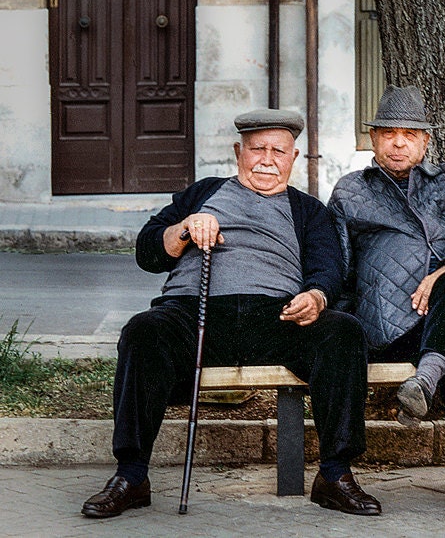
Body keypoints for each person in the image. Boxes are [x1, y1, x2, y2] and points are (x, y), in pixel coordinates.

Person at [81, 109, 379, 519]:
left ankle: (334, 474)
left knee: (344, 332)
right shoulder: (203, 193)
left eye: (279, 151)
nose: (268, 159)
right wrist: (185, 227)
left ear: (294, 157)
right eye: (257, 149)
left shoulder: (308, 210)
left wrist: (316, 296)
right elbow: (147, 251)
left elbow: (328, 268)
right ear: (239, 152)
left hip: (276, 317)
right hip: (194, 312)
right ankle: (132, 476)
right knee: (143, 331)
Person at [328, 85, 445, 523]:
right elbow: (340, 266)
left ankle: (426, 379)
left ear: (426, 141)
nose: (398, 142)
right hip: (394, 325)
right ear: (372, 139)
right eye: (388, 133)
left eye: (409, 134)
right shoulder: (351, 192)